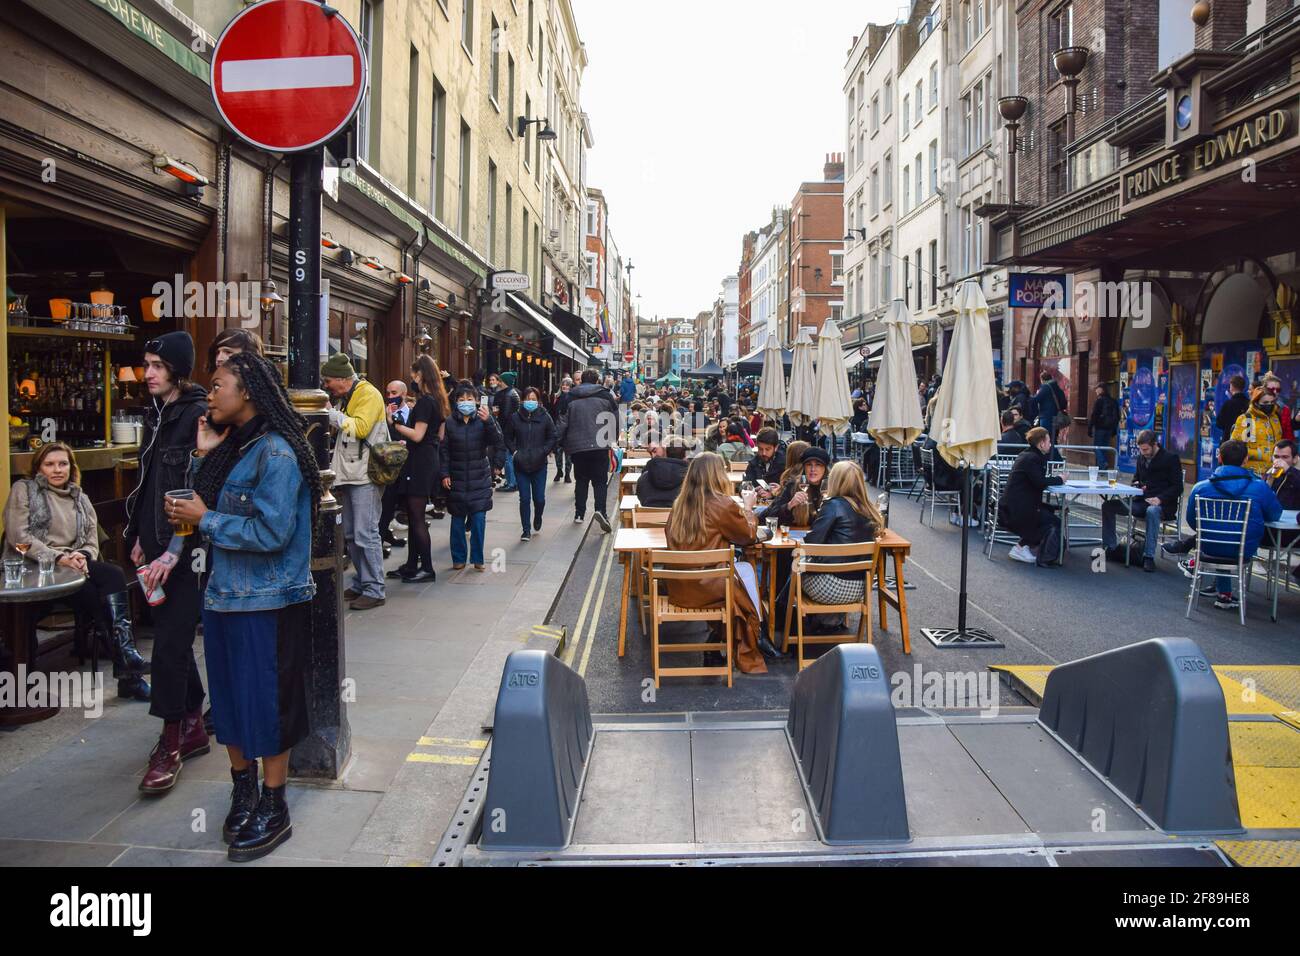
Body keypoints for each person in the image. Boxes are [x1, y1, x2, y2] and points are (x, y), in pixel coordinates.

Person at [166, 352, 319, 862]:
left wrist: (207, 519)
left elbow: (273, 533)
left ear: (248, 390)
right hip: (224, 595)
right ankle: (243, 789)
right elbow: (200, 503)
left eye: (218, 384)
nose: (210, 395)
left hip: (267, 599)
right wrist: (202, 456)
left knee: (268, 705)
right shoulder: (235, 447)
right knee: (229, 703)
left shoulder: (275, 453)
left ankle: (275, 805)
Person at [125, 331, 210, 793]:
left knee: (170, 647)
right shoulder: (158, 414)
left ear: (177, 368)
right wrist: (140, 535)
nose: (149, 372)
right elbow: (152, 480)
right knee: (172, 640)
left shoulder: (196, 414)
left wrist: (173, 551)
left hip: (185, 555)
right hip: (156, 547)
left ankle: (170, 741)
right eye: (146, 364)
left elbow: (195, 489)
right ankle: (193, 724)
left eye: (157, 365)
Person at [5, 443, 149, 700]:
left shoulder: (79, 497)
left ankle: (128, 663)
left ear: (72, 468)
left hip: (71, 569)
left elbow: (91, 539)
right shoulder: (24, 490)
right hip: (33, 568)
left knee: (111, 576)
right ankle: (128, 672)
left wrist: (81, 557)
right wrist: (59, 557)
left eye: (63, 464)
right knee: (99, 594)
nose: (57, 469)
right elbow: (19, 538)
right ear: (38, 467)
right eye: (49, 464)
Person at [664, 453, 769, 674]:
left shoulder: (678, 506)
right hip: (709, 590)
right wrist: (748, 509)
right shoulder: (722, 504)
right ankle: (759, 635)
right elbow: (747, 536)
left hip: (678, 589)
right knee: (744, 575)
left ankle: (718, 642)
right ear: (717, 475)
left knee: (736, 577)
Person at [321, 353, 388, 611]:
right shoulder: (350, 396)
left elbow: (360, 428)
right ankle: (362, 582)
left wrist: (331, 415)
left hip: (365, 475)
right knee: (350, 533)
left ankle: (374, 588)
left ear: (341, 379)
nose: (327, 386)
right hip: (351, 473)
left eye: (329, 381)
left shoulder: (368, 394)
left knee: (364, 532)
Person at [1185, 439, 1283, 611]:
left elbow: (1192, 522)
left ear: (1220, 458)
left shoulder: (1200, 488)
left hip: (1209, 546)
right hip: (1243, 549)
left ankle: (1223, 593)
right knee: (1231, 537)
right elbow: (1275, 514)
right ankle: (1224, 594)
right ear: (1245, 460)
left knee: (1220, 536)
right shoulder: (1260, 488)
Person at [797, 461, 884, 630]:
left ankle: (783, 613)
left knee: (794, 561)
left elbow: (810, 543)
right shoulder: (869, 509)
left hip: (828, 587)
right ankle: (829, 620)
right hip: (858, 588)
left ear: (835, 481)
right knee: (799, 562)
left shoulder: (834, 505)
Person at [386, 356, 448, 583]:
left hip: (419, 463)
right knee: (414, 515)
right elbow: (439, 435)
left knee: (417, 516)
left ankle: (427, 568)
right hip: (427, 459)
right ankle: (412, 564)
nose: (412, 379)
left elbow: (419, 435)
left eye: (413, 375)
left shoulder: (425, 402)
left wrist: (395, 423)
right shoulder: (439, 400)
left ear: (421, 375)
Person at [1101, 430, 1183, 572]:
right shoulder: (1141, 458)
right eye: (1141, 449)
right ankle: (1110, 548)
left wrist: (1160, 499)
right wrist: (1136, 485)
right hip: (1141, 501)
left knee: (1152, 511)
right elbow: (1136, 479)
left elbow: (1178, 487)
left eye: (1145, 449)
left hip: (1163, 505)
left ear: (1155, 444)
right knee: (1108, 506)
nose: (1143, 452)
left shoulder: (1171, 458)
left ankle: (1148, 557)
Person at [442, 384, 504, 571]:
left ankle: (477, 558)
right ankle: (458, 558)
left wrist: (490, 421)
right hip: (457, 476)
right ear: (456, 402)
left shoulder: (483, 420)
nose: (466, 403)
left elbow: (498, 441)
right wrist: (444, 473)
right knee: (457, 520)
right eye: (461, 400)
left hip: (479, 476)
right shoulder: (450, 422)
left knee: (478, 520)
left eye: (470, 399)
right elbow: (444, 450)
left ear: (477, 401)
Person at [558, 369, 619, 533]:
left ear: (581, 380)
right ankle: (601, 511)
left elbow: (562, 422)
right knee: (600, 481)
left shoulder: (570, 396)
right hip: (600, 445)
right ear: (597, 381)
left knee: (581, 480)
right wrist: (613, 439)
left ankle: (579, 514)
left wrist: (560, 443)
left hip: (578, 447)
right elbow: (615, 419)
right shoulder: (606, 395)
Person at [999, 427, 1066, 567]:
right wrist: (1060, 479)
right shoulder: (1032, 458)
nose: (1050, 444)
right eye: (1048, 441)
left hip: (1014, 507)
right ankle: (1039, 555)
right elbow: (1040, 482)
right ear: (1041, 443)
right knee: (1054, 522)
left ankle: (1023, 546)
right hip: (1017, 512)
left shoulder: (1027, 455)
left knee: (1049, 514)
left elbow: (1038, 479)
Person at [507, 387, 558, 541]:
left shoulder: (545, 416)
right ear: (522, 400)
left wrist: (544, 451)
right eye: (528, 398)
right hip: (521, 464)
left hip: (539, 464)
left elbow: (552, 436)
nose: (531, 401)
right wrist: (515, 452)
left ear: (538, 401)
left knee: (539, 499)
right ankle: (526, 530)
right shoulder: (515, 417)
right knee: (524, 498)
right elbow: (508, 437)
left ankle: (538, 515)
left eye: (534, 399)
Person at [378, 380, 411, 554]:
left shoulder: (412, 413)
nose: (390, 397)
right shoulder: (383, 416)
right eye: (388, 393)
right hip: (390, 469)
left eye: (394, 393)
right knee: (386, 506)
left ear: (403, 395)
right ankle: (381, 538)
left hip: (409, 470)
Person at [767, 446, 830, 528]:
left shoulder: (833, 488)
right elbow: (772, 517)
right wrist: (789, 505)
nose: (813, 469)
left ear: (824, 468)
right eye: (809, 464)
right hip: (795, 537)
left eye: (818, 465)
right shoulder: (793, 486)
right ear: (804, 468)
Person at [1231, 386, 1284, 477]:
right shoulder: (1246, 419)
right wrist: (1262, 454)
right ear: (1256, 402)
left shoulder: (1275, 418)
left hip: (1274, 473)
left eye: (1272, 402)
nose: (1269, 405)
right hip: (1252, 474)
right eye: (1265, 402)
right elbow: (1235, 448)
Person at [636, 437, 690, 507]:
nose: (653, 455)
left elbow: (640, 496)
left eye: (654, 451)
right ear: (686, 456)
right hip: (679, 517)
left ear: (666, 452)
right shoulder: (690, 480)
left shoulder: (644, 477)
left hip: (650, 516)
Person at [1088, 383, 1120, 469]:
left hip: (1100, 428)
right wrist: (1114, 429)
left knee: (1096, 447)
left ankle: (1103, 463)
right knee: (1104, 448)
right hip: (1110, 428)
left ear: (1101, 389)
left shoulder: (1099, 400)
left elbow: (1094, 415)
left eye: (1097, 389)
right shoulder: (1114, 401)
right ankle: (1102, 469)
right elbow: (1118, 416)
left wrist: (1090, 427)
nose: (1095, 391)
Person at [744, 428, 787, 492]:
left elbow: (791, 490)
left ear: (776, 447)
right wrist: (753, 490)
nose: (764, 453)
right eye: (760, 449)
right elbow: (744, 486)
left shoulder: (785, 464)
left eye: (767, 449)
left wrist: (774, 493)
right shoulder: (753, 463)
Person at [552, 378, 575, 483]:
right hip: (558, 429)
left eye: (567, 385)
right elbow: (553, 413)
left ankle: (567, 474)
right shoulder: (557, 397)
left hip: (569, 430)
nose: (565, 387)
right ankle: (559, 470)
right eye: (563, 385)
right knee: (558, 453)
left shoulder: (573, 399)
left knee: (568, 455)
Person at [1263, 373, 1295, 441]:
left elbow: (1288, 435)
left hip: (1277, 448)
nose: (1275, 392)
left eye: (1278, 390)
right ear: (1264, 389)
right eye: (1271, 389)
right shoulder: (1254, 406)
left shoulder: (1285, 409)